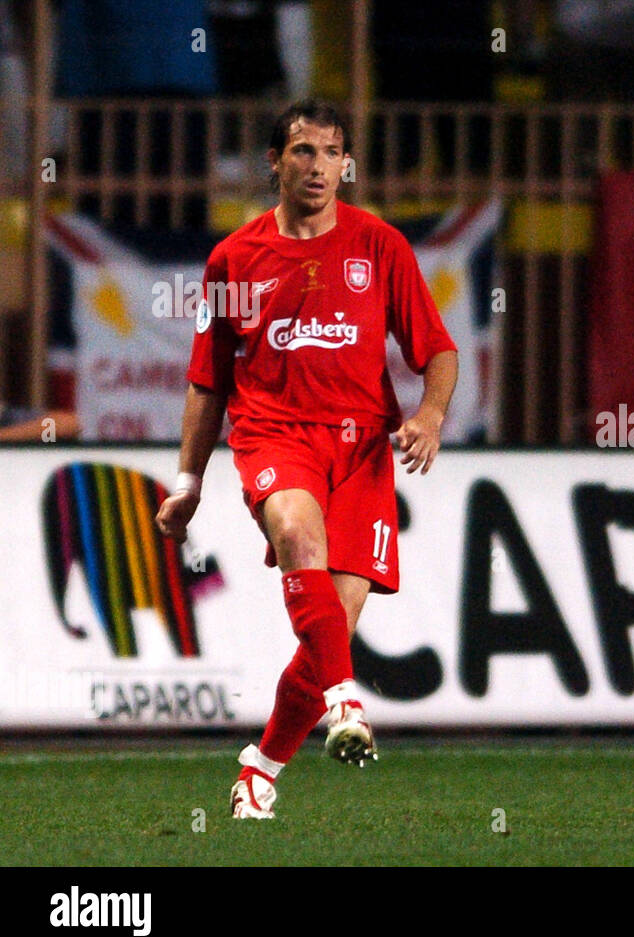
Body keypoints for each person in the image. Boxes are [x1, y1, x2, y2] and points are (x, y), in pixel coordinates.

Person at [154, 99, 458, 820]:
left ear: (346, 163)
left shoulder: (379, 245)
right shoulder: (234, 258)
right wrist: (188, 483)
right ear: (275, 162)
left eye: (331, 153)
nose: (318, 166)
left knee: (333, 629)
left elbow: (437, 349)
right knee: (297, 535)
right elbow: (208, 380)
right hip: (274, 435)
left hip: (361, 451)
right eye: (303, 152)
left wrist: (431, 414)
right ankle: (346, 701)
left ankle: (260, 766)